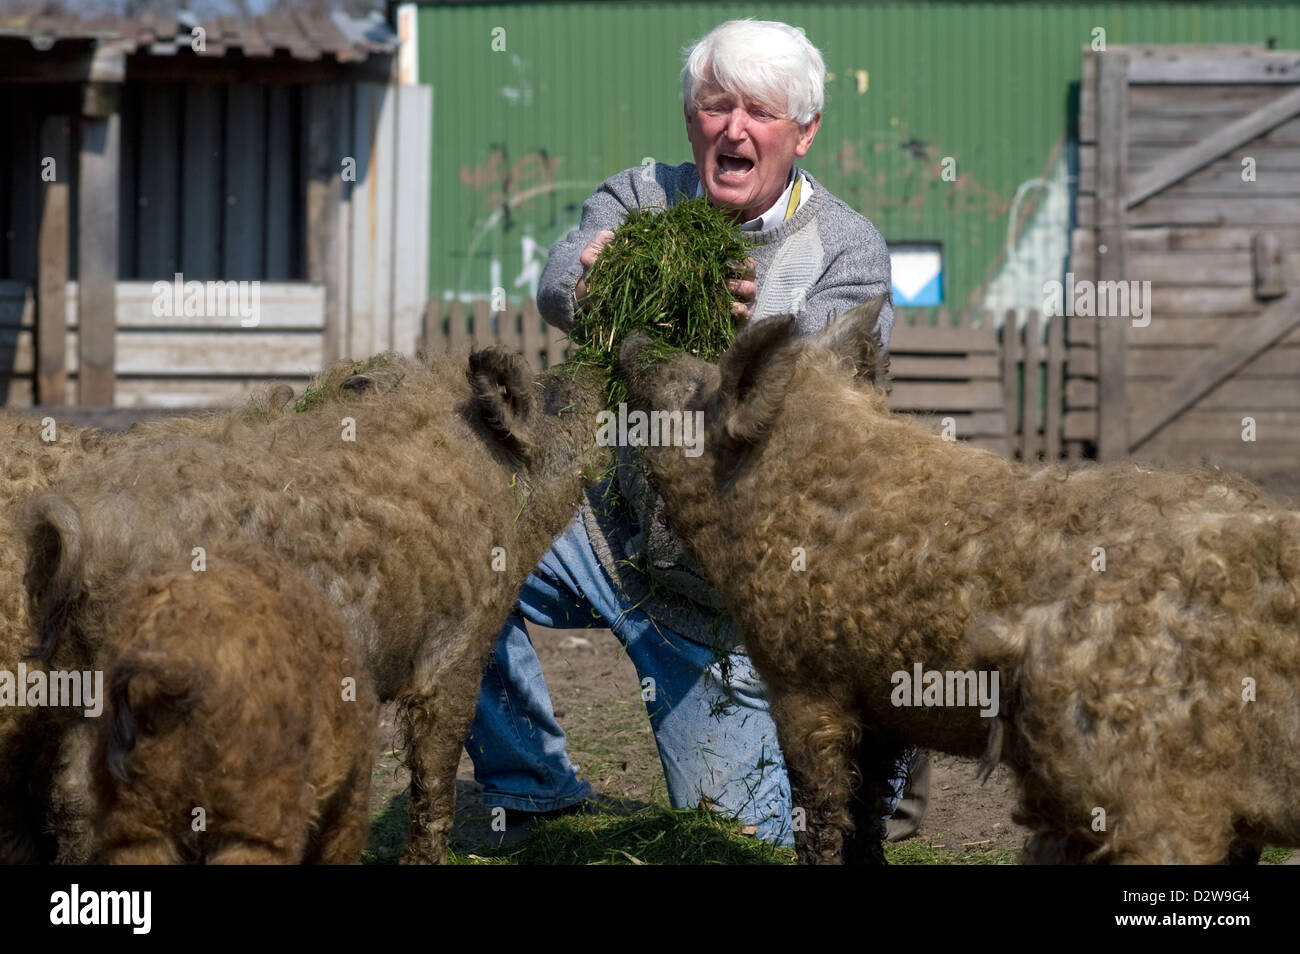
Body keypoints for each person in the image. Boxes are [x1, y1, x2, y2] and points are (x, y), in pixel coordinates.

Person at [465, 17, 912, 847]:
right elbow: (560, 279)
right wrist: (603, 282)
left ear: (804, 130)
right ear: (690, 118)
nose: (732, 128)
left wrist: (712, 336)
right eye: (715, 106)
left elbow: (799, 407)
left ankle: (868, 735)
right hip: (602, 531)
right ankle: (531, 784)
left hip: (721, 604)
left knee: (740, 844)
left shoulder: (846, 250)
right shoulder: (644, 197)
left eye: (759, 112)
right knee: (459, 551)